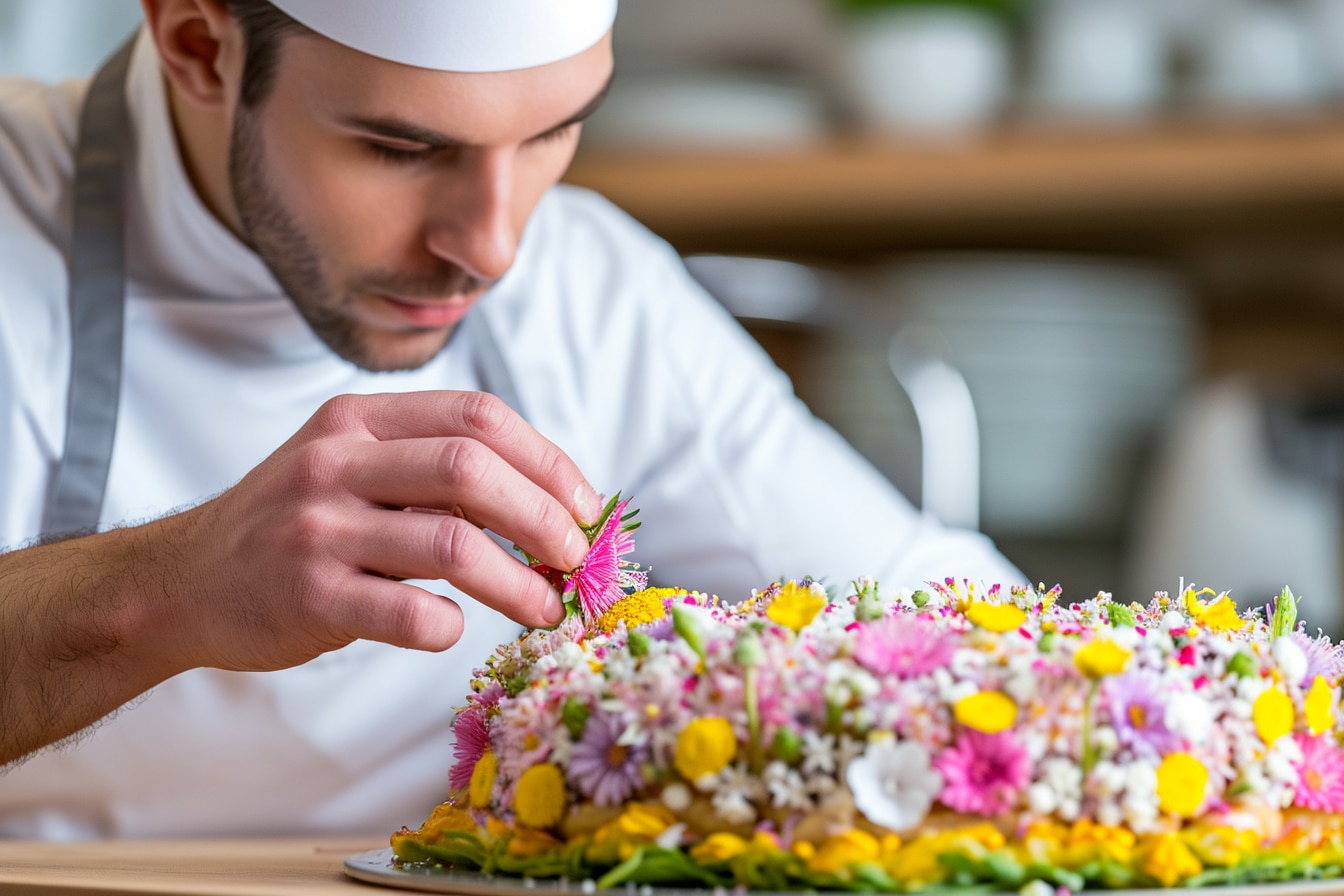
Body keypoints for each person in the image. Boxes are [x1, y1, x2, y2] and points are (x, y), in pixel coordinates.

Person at [0, 0, 1021, 837]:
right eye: (401, 147)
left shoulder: (591, 291)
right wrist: (169, 585)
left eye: (552, 132)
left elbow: (957, 620)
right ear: (198, 43)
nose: (492, 247)